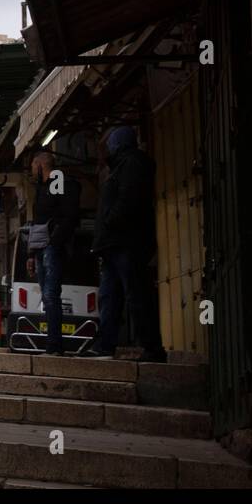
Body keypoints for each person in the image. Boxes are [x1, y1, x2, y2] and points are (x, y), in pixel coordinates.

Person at [87, 126, 166, 362]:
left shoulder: (132, 163)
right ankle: (106, 345)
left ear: (118, 143)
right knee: (110, 296)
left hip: (126, 241)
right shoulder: (122, 165)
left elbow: (129, 199)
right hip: (114, 243)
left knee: (136, 294)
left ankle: (151, 348)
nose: (107, 147)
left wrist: (111, 222)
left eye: (110, 142)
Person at [27, 150, 82, 356]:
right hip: (41, 246)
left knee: (50, 295)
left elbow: (66, 215)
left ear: (41, 165)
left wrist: (55, 241)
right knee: (47, 295)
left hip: (51, 246)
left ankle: (54, 346)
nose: (32, 169)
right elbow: (39, 221)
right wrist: (31, 253)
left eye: (33, 165)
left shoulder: (57, 182)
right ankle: (53, 344)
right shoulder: (42, 188)